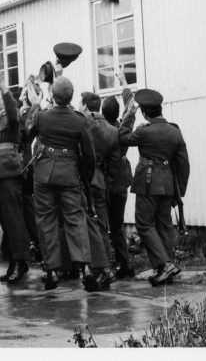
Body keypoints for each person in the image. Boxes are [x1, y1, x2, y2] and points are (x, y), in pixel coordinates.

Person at [26, 77, 97, 290]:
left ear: (52, 96)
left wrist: (36, 104)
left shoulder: (42, 116)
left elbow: (27, 131)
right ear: (71, 97)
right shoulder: (79, 119)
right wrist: (85, 176)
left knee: (46, 221)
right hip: (69, 173)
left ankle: (52, 270)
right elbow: (89, 154)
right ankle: (85, 267)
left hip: (45, 173)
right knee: (75, 219)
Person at [119, 89, 190, 287]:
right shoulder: (175, 131)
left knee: (144, 224)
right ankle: (165, 269)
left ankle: (165, 265)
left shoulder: (143, 130)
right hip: (167, 185)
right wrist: (179, 191)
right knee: (164, 225)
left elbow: (122, 137)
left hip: (148, 184)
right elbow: (184, 163)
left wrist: (129, 113)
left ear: (144, 113)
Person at [0, 78, 31, 285]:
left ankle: (21, 262)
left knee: (14, 221)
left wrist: (6, 92)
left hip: (9, 175)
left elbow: (14, 115)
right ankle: (14, 262)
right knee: (6, 221)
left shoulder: (11, 117)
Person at [79, 91, 122, 291]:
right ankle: (103, 270)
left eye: (81, 105)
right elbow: (115, 164)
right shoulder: (112, 131)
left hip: (84, 179)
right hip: (102, 181)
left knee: (88, 226)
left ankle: (99, 269)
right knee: (103, 226)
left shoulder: (82, 124)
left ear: (86, 107)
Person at [101, 95, 135, 278]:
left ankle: (107, 266)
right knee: (117, 226)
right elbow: (127, 118)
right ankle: (126, 264)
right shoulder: (120, 130)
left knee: (105, 226)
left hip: (109, 186)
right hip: (122, 185)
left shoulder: (104, 133)